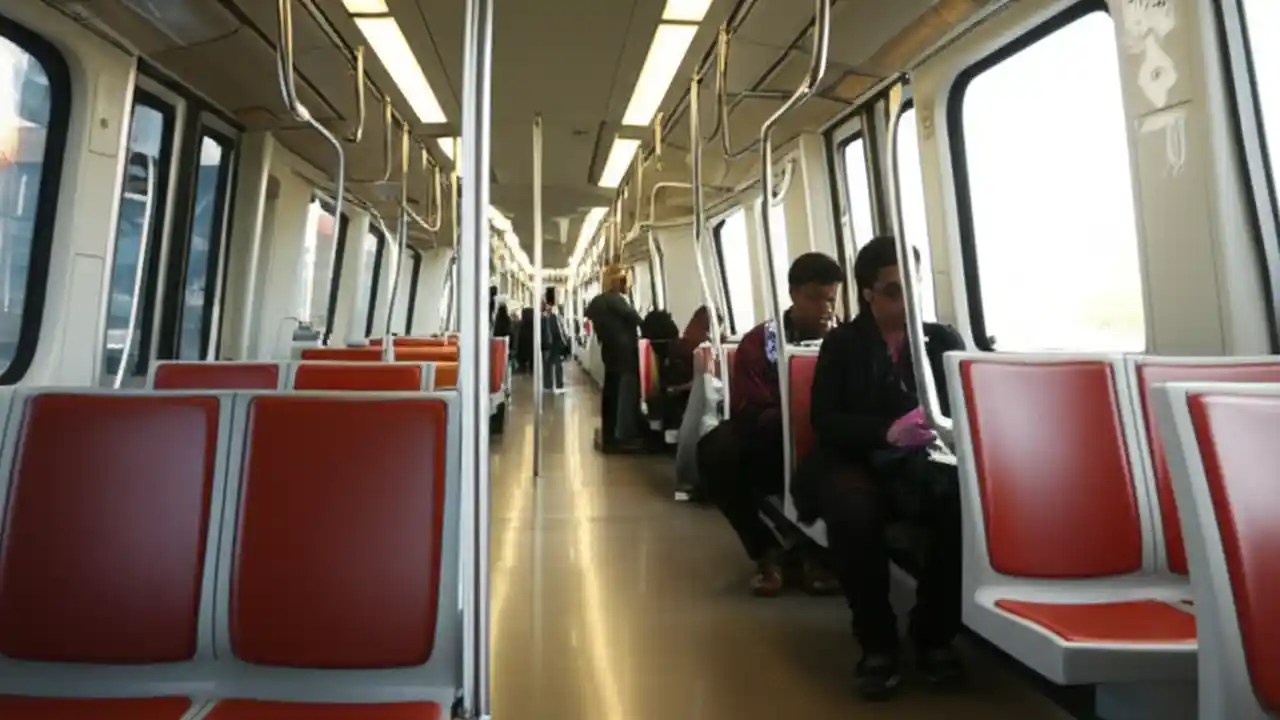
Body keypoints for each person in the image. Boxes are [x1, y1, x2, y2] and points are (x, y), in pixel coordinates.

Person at [793, 236, 966, 701]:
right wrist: (887, 431)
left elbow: (966, 409)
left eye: (913, 286)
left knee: (962, 505)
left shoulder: (942, 340)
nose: (906, 300)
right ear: (867, 294)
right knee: (854, 512)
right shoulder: (842, 345)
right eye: (893, 291)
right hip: (853, 457)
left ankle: (933, 634)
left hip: (921, 461)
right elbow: (826, 422)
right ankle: (878, 642)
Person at [705, 252, 843, 596]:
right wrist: (792, 418)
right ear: (794, 294)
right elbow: (750, 408)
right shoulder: (762, 341)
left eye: (831, 300)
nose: (825, 309)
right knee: (714, 451)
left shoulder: (846, 341)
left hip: (829, 439)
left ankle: (816, 553)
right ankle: (767, 549)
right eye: (815, 299)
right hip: (773, 439)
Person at [584, 266, 645, 452]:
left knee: (611, 395)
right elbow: (635, 319)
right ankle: (623, 435)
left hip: (610, 354)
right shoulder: (615, 301)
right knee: (624, 396)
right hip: (624, 355)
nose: (626, 285)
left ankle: (610, 434)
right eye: (623, 281)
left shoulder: (600, 303)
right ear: (614, 282)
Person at [541, 300, 570, 394]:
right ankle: (559, 385)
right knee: (558, 365)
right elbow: (558, 332)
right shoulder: (553, 317)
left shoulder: (542, 318)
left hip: (545, 345)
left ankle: (548, 385)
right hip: (554, 345)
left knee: (547, 365)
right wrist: (564, 343)